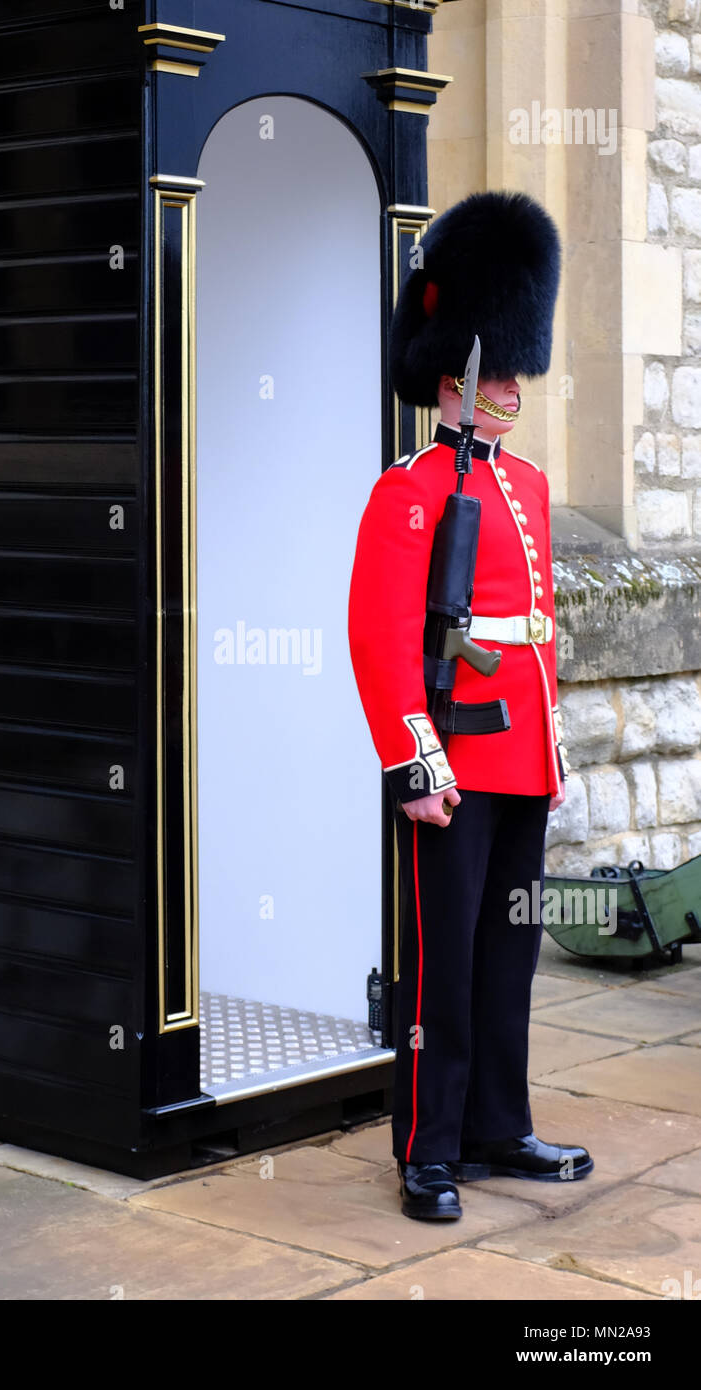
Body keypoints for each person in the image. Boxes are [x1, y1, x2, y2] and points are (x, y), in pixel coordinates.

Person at [347, 190, 593, 1222]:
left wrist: (553, 747)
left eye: (513, 373)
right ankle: (428, 1148)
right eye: (496, 374)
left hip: (520, 761)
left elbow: (530, 627)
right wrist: (412, 759)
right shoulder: (407, 491)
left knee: (508, 955)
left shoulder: (527, 486)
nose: (510, 389)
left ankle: (499, 1124)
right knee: (440, 967)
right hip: (451, 763)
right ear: (454, 375)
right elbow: (379, 638)